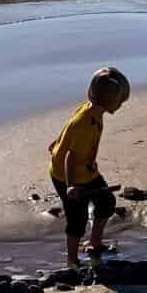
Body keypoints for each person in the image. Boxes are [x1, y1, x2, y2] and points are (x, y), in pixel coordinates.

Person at [47, 66, 131, 269]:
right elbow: (70, 157)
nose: (121, 105)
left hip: (86, 170)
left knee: (106, 202)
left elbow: (68, 132)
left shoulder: (91, 108)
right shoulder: (85, 123)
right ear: (111, 102)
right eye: (121, 101)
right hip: (68, 176)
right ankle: (72, 260)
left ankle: (94, 243)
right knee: (77, 220)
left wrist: (57, 143)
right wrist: (70, 186)